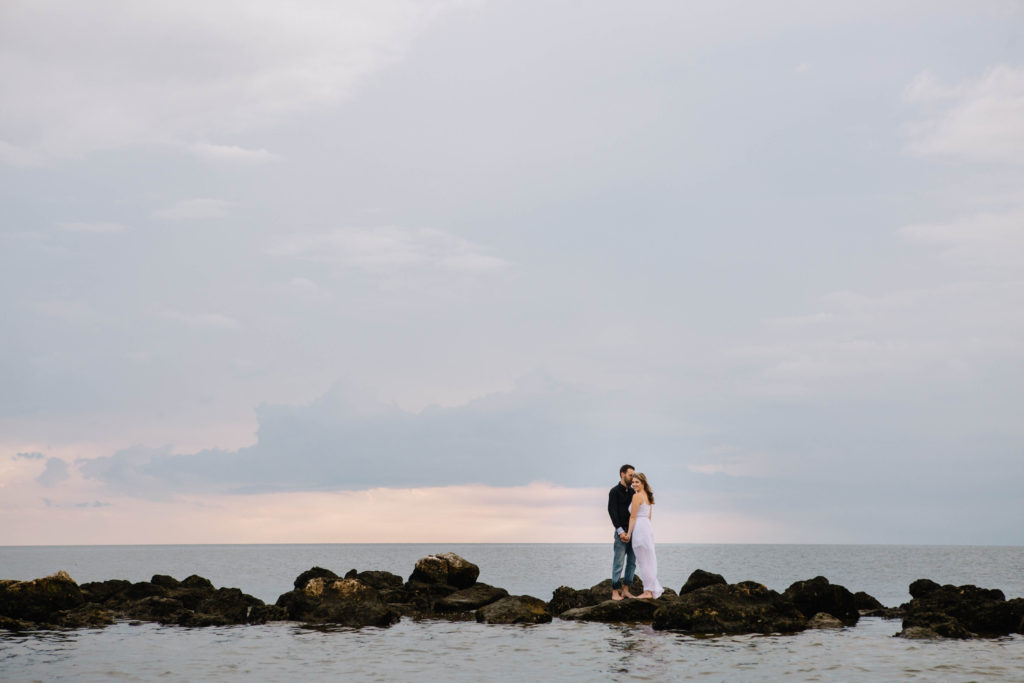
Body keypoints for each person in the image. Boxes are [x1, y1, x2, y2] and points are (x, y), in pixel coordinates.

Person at [623, 472, 664, 599]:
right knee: (649, 559)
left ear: (643, 483)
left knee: (643, 561)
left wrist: (628, 533)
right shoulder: (648, 496)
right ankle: (649, 590)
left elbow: (633, 517)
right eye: (633, 482)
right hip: (647, 528)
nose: (634, 484)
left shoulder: (637, 496)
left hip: (640, 528)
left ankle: (648, 591)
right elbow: (649, 517)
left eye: (637, 482)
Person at [607, 464, 636, 601]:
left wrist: (631, 532)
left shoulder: (633, 493)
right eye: (630, 475)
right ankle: (615, 592)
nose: (632, 478)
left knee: (632, 562)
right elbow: (612, 511)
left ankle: (626, 590)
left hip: (633, 532)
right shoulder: (614, 491)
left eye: (633, 475)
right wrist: (620, 532)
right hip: (620, 532)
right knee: (618, 562)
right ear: (622, 474)